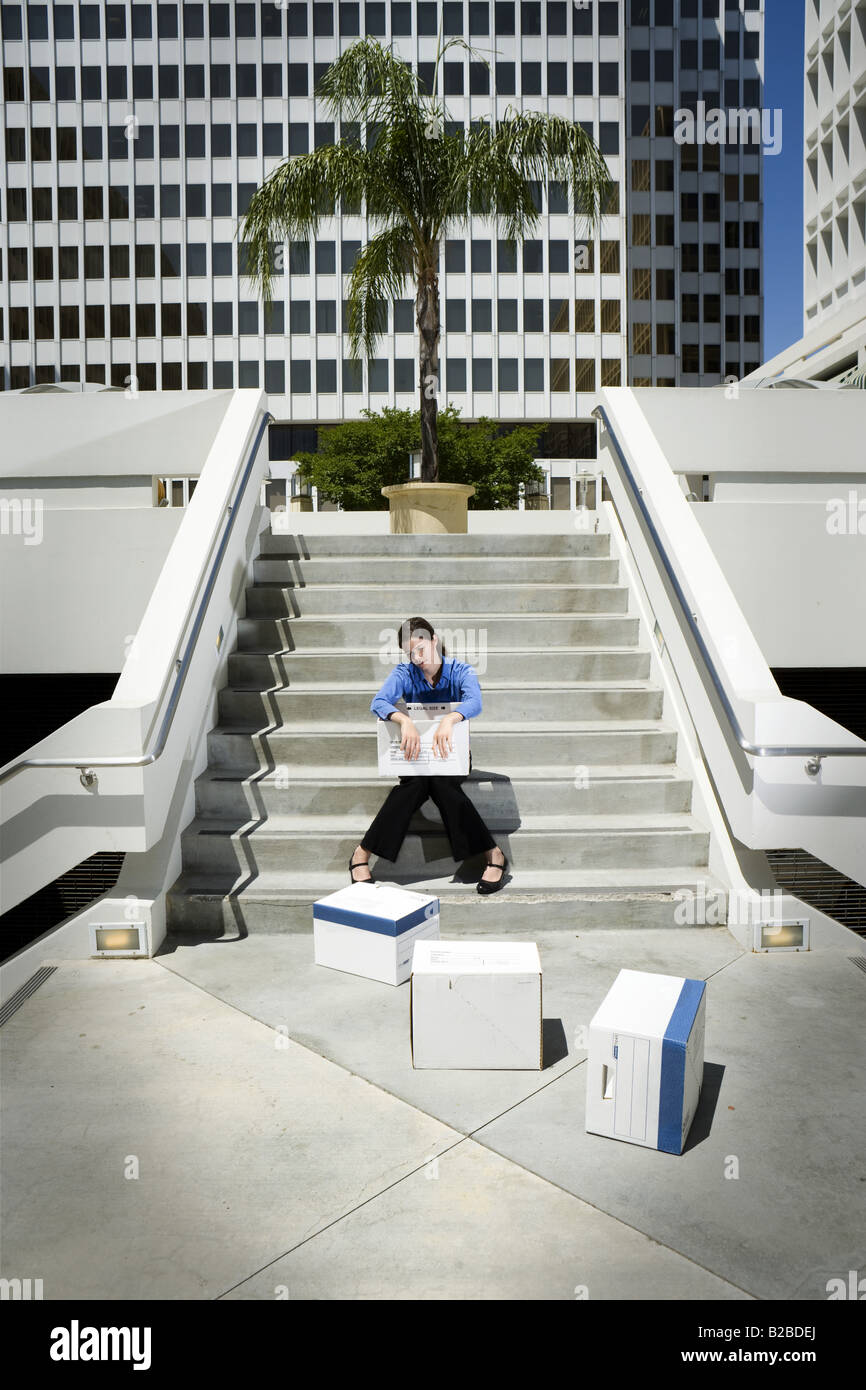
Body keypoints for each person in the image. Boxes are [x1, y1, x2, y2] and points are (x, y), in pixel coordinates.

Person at [349, 616, 509, 894]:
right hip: (416, 755)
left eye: (421, 648)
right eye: (410, 653)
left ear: (434, 641)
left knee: (437, 783)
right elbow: (378, 702)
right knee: (423, 782)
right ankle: (493, 855)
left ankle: (361, 854)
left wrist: (451, 719)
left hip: (451, 755)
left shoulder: (461, 670)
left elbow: (475, 701)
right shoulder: (404, 673)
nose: (417, 657)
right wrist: (403, 720)